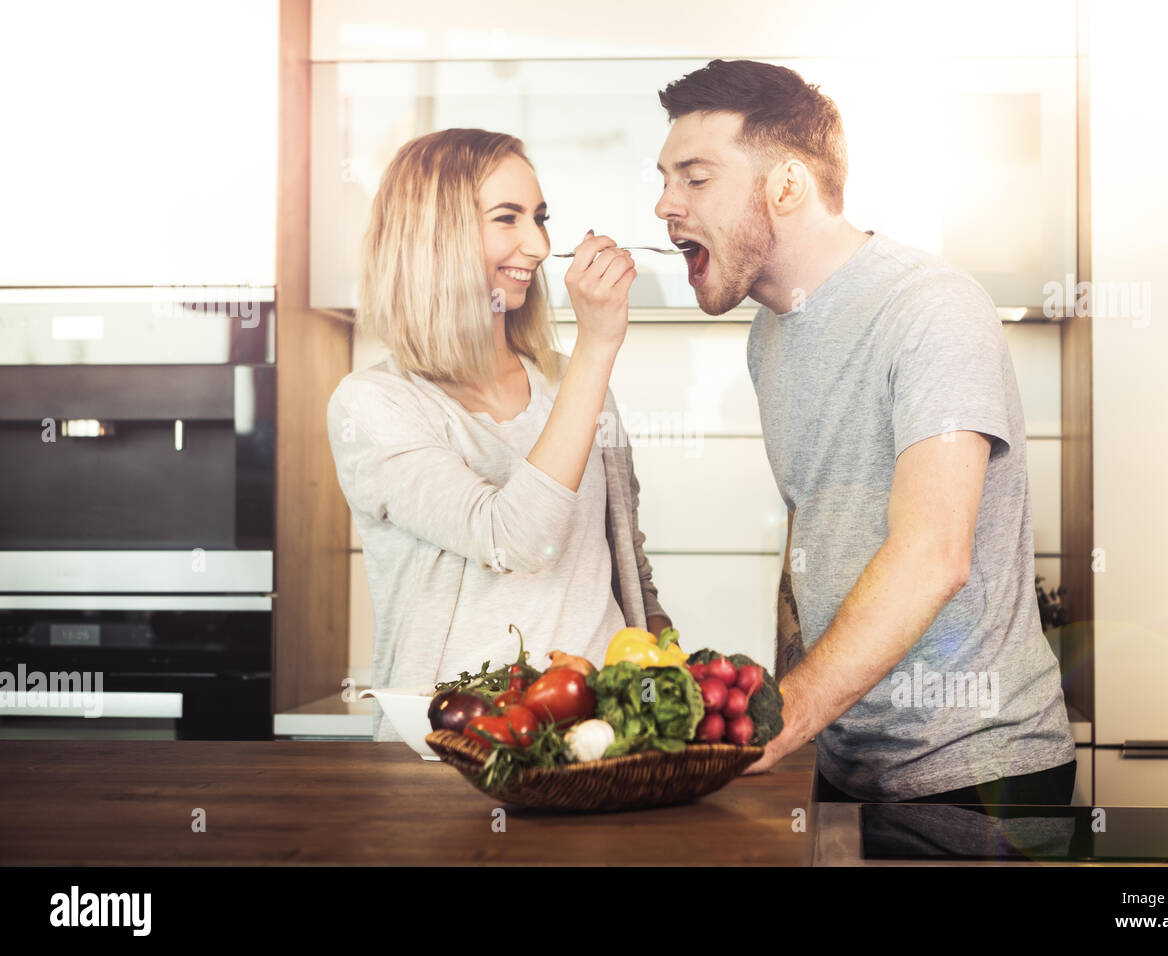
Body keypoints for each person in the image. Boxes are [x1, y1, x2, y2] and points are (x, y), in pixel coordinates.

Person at [653, 60, 1077, 805]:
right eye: (665, 179)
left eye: (694, 178)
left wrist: (778, 723)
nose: (664, 205)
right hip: (847, 765)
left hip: (979, 772)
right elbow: (807, 530)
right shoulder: (770, 335)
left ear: (786, 185)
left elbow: (933, 554)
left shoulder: (930, 308)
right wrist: (788, 717)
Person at [327, 128, 671, 741]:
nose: (538, 245)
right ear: (434, 236)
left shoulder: (571, 386)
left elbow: (628, 568)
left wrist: (672, 691)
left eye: (540, 218)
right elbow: (515, 539)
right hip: (458, 746)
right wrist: (596, 347)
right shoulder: (375, 404)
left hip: (603, 738)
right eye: (507, 218)